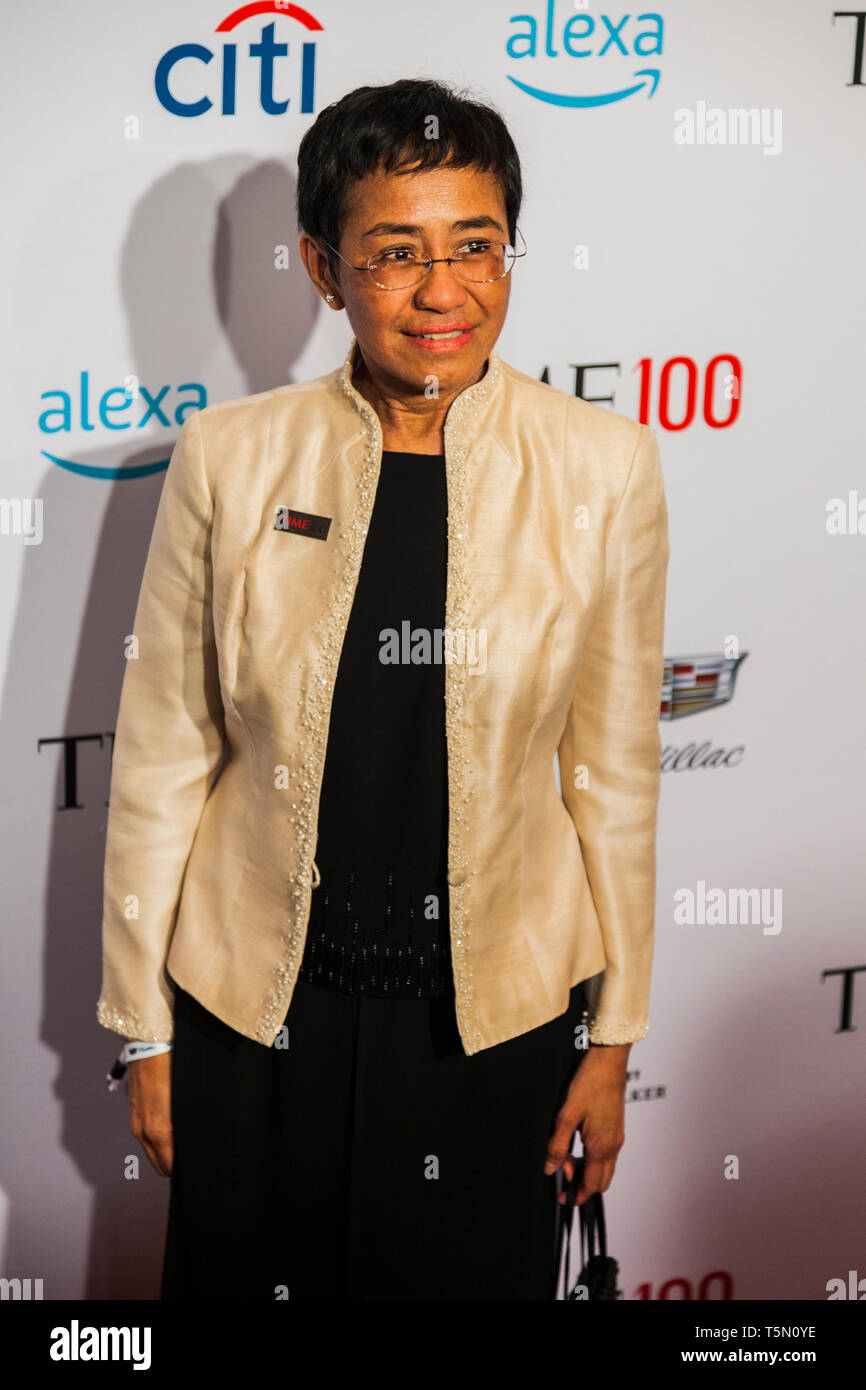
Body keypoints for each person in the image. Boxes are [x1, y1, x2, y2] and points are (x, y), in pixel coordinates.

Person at [97, 76, 670, 1300]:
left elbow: (613, 772)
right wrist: (146, 1029)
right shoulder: (231, 457)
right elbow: (160, 754)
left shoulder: (602, 467)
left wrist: (612, 1035)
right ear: (322, 265)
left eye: (475, 247)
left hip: (494, 1028)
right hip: (255, 1016)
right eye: (393, 253)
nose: (442, 291)